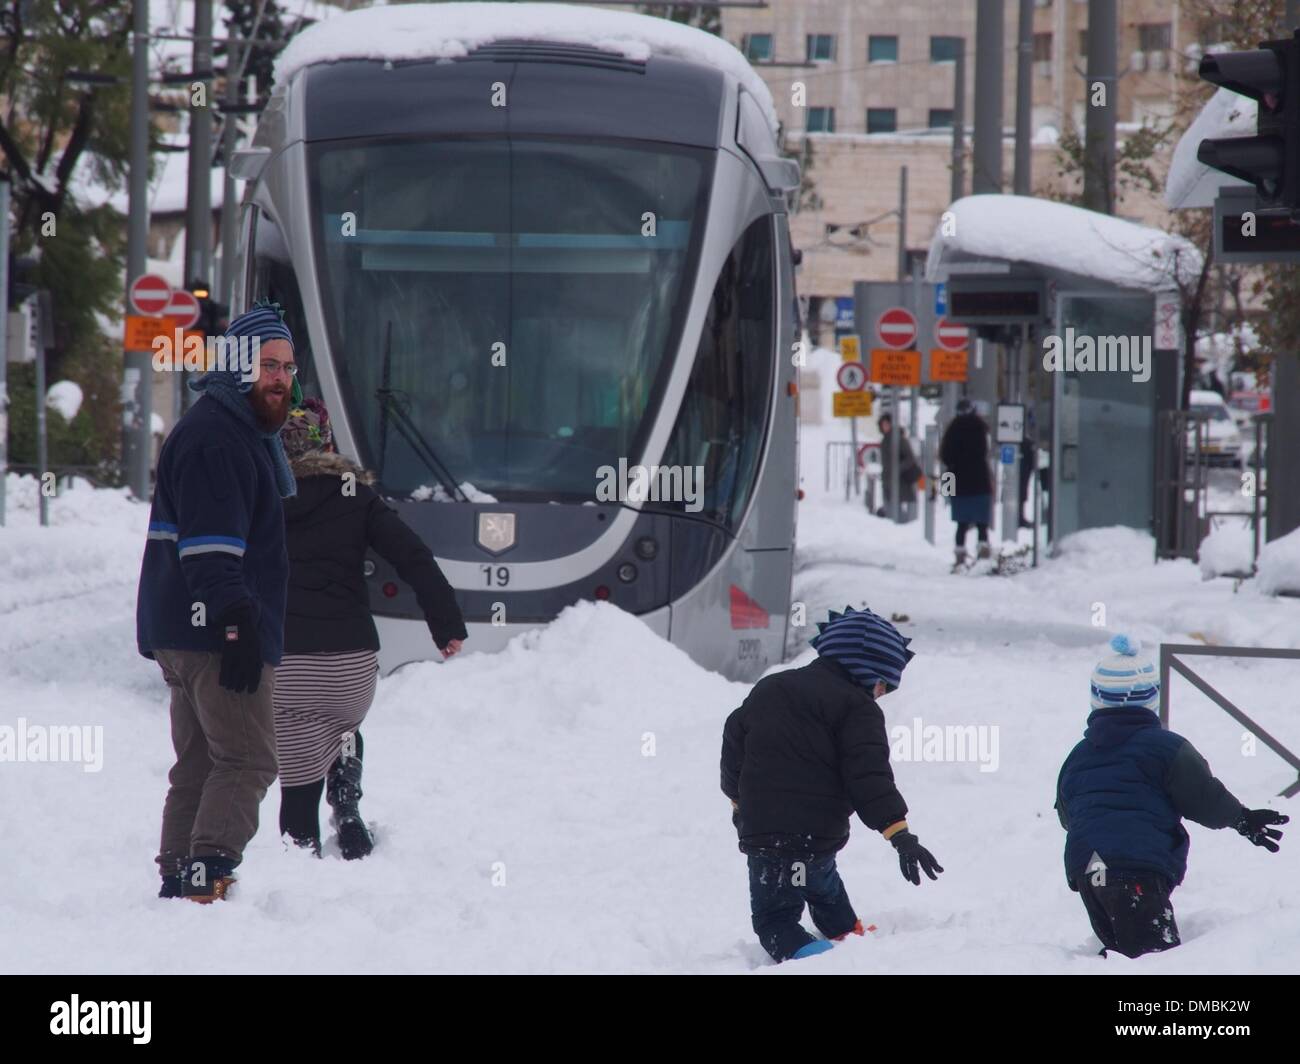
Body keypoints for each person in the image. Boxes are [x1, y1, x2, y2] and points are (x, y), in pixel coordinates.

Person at [137, 303, 298, 903]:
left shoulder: (224, 429)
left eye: (287, 366)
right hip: (212, 630)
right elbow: (210, 548)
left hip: (185, 628)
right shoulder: (219, 440)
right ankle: (206, 874)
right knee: (250, 758)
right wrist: (236, 623)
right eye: (267, 365)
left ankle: (180, 877)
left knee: (203, 760)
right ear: (235, 367)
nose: (280, 378)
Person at [276, 398, 467, 859]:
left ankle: (299, 873)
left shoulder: (261, 494)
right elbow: (414, 558)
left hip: (285, 661)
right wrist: (446, 624)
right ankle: (345, 794)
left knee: (296, 781)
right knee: (342, 722)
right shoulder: (353, 495)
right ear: (326, 440)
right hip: (351, 661)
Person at [721, 607, 943, 963]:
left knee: (776, 916)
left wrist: (738, 802)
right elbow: (869, 777)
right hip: (816, 837)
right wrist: (899, 834)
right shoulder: (857, 707)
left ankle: (828, 942)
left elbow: (733, 747)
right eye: (883, 685)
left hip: (763, 834)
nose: (881, 694)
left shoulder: (769, 688)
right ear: (865, 670)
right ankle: (826, 958)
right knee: (817, 884)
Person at [1055, 635, 1288, 959]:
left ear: (1097, 699)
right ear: (1151, 698)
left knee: (1120, 957)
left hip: (1089, 871)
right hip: (1135, 868)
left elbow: (1067, 814)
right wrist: (1243, 818)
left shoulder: (1078, 756)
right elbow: (1205, 798)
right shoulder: (1166, 748)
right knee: (1156, 961)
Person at [939, 398, 994, 567]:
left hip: (959, 482)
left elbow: (944, 456)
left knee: (961, 523)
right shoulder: (981, 428)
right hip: (979, 481)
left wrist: (948, 487)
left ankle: (960, 556)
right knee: (982, 523)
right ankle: (983, 554)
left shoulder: (952, 430)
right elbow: (985, 452)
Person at [875, 412, 921, 520]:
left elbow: (910, 457)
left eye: (887, 424)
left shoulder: (898, 439)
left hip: (899, 479)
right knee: (891, 504)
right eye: (883, 424)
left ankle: (903, 527)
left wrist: (898, 469)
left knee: (895, 505)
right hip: (888, 478)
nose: (885, 427)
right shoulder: (886, 439)